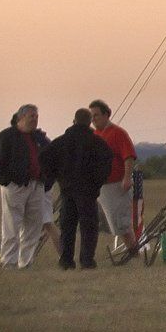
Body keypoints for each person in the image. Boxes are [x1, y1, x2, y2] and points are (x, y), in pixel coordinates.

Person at [43, 108, 113, 270]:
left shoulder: (61, 142)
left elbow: (45, 158)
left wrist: (56, 177)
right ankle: (87, 260)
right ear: (89, 122)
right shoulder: (97, 143)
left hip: (67, 190)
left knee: (67, 227)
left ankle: (66, 260)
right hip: (88, 192)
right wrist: (97, 183)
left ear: (74, 121)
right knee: (89, 226)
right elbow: (107, 163)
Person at [0, 105, 51, 269]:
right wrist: (6, 181)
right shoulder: (6, 137)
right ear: (20, 117)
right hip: (15, 186)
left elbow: (50, 156)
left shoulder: (38, 138)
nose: (35, 119)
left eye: (36, 116)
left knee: (33, 226)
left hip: (36, 185)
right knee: (12, 224)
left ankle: (26, 262)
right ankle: (9, 261)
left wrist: (46, 181)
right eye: (32, 116)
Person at [88, 99, 139, 255]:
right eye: (91, 116)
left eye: (96, 115)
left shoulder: (117, 133)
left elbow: (128, 156)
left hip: (116, 184)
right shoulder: (94, 135)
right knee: (109, 222)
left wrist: (127, 177)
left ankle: (133, 252)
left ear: (106, 114)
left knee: (121, 222)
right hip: (100, 186)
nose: (93, 119)